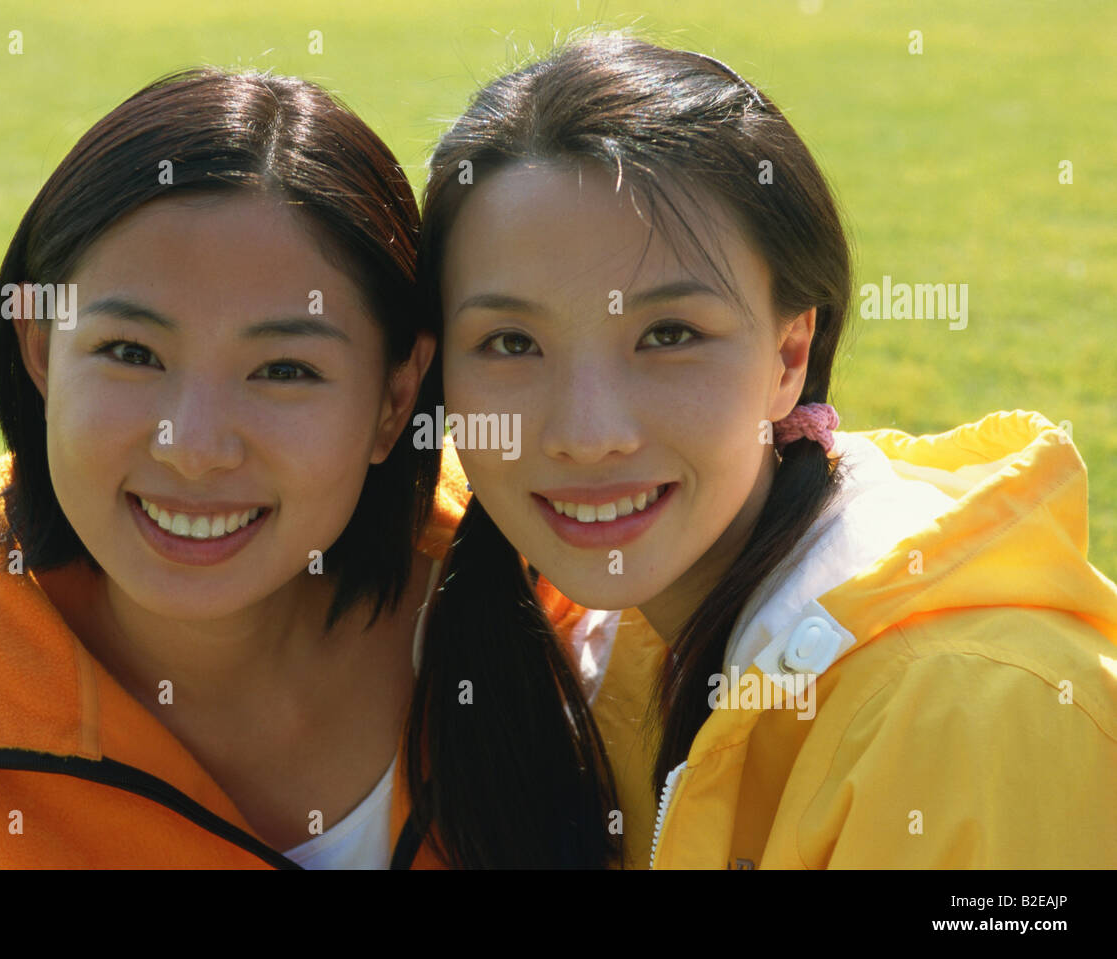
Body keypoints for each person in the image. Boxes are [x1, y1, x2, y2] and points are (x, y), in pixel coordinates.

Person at [0, 67, 616, 869]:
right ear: (41, 352)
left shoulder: (547, 586)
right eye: (131, 353)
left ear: (393, 398)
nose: (193, 446)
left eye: (283, 370)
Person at [418, 34, 1117, 867]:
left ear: (789, 357)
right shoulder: (601, 632)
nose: (587, 433)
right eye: (509, 342)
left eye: (668, 334)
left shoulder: (973, 712)